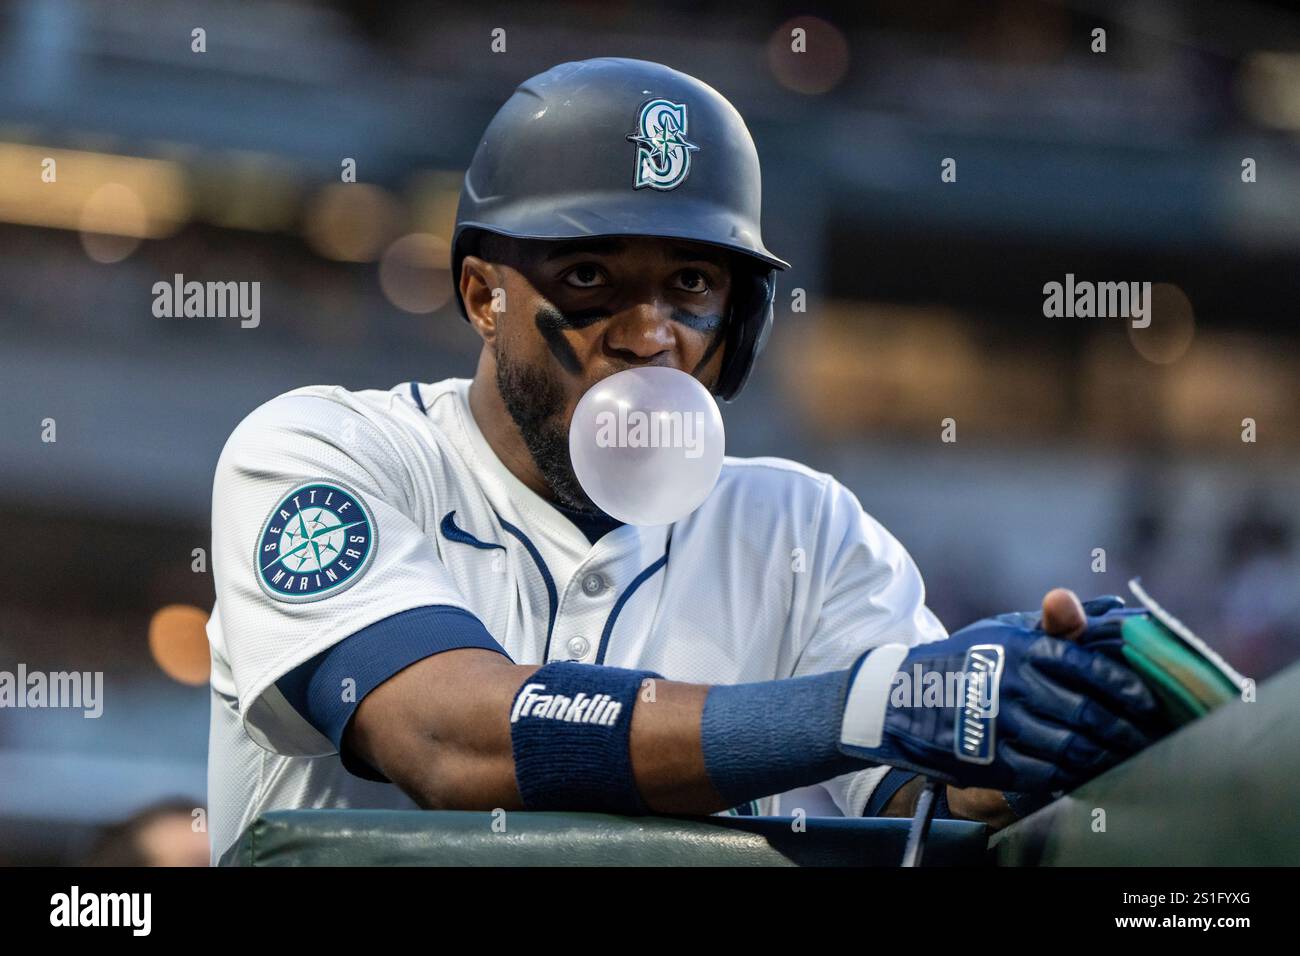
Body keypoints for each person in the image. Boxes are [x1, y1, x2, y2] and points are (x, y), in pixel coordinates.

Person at [205, 58, 1161, 862]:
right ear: (483, 296)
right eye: (590, 276)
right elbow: (446, 744)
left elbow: (910, 801)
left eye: (692, 283)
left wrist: (1019, 746)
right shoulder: (322, 452)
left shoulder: (804, 531)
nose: (649, 332)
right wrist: (873, 704)